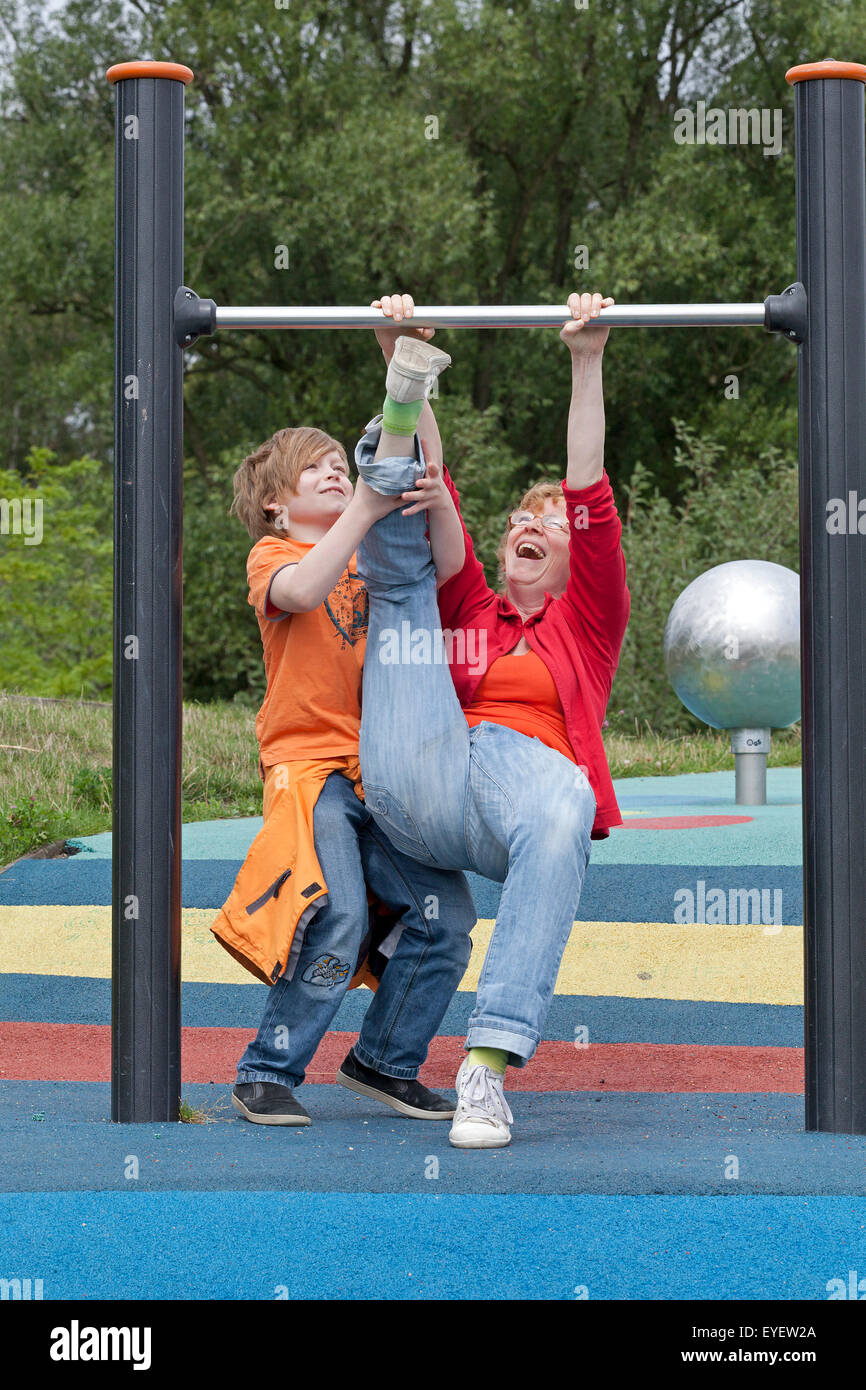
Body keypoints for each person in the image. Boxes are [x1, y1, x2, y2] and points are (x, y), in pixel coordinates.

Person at [354, 290, 631, 1148]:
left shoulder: (587, 622)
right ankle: (404, 388)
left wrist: (587, 361)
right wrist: (406, 366)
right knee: (408, 564)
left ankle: (486, 1066)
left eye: (543, 521)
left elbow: (584, 484)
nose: (525, 523)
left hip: (519, 802)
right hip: (423, 774)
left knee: (563, 806)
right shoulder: (469, 602)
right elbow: (443, 505)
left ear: (572, 553)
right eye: (518, 516)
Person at [209, 313, 476, 1127]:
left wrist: (401, 364)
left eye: (339, 465)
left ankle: (383, 1061)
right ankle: (268, 1070)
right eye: (315, 471)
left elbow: (451, 562)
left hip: (380, 769)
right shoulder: (280, 558)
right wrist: (362, 504)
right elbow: (299, 595)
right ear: (273, 504)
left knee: (448, 918)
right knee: (339, 909)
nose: (335, 473)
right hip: (312, 769)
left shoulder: (369, 555)